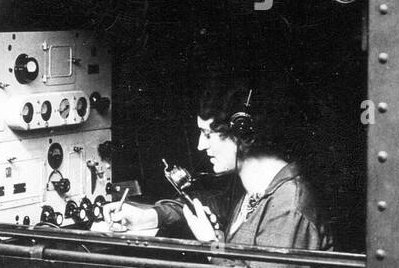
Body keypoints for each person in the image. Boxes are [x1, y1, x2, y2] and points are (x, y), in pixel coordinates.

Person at [107, 83, 333, 253]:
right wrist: (147, 216)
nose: (200, 145)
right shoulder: (252, 189)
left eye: (207, 134)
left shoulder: (287, 207)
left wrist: (212, 245)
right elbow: (205, 207)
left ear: (241, 133)